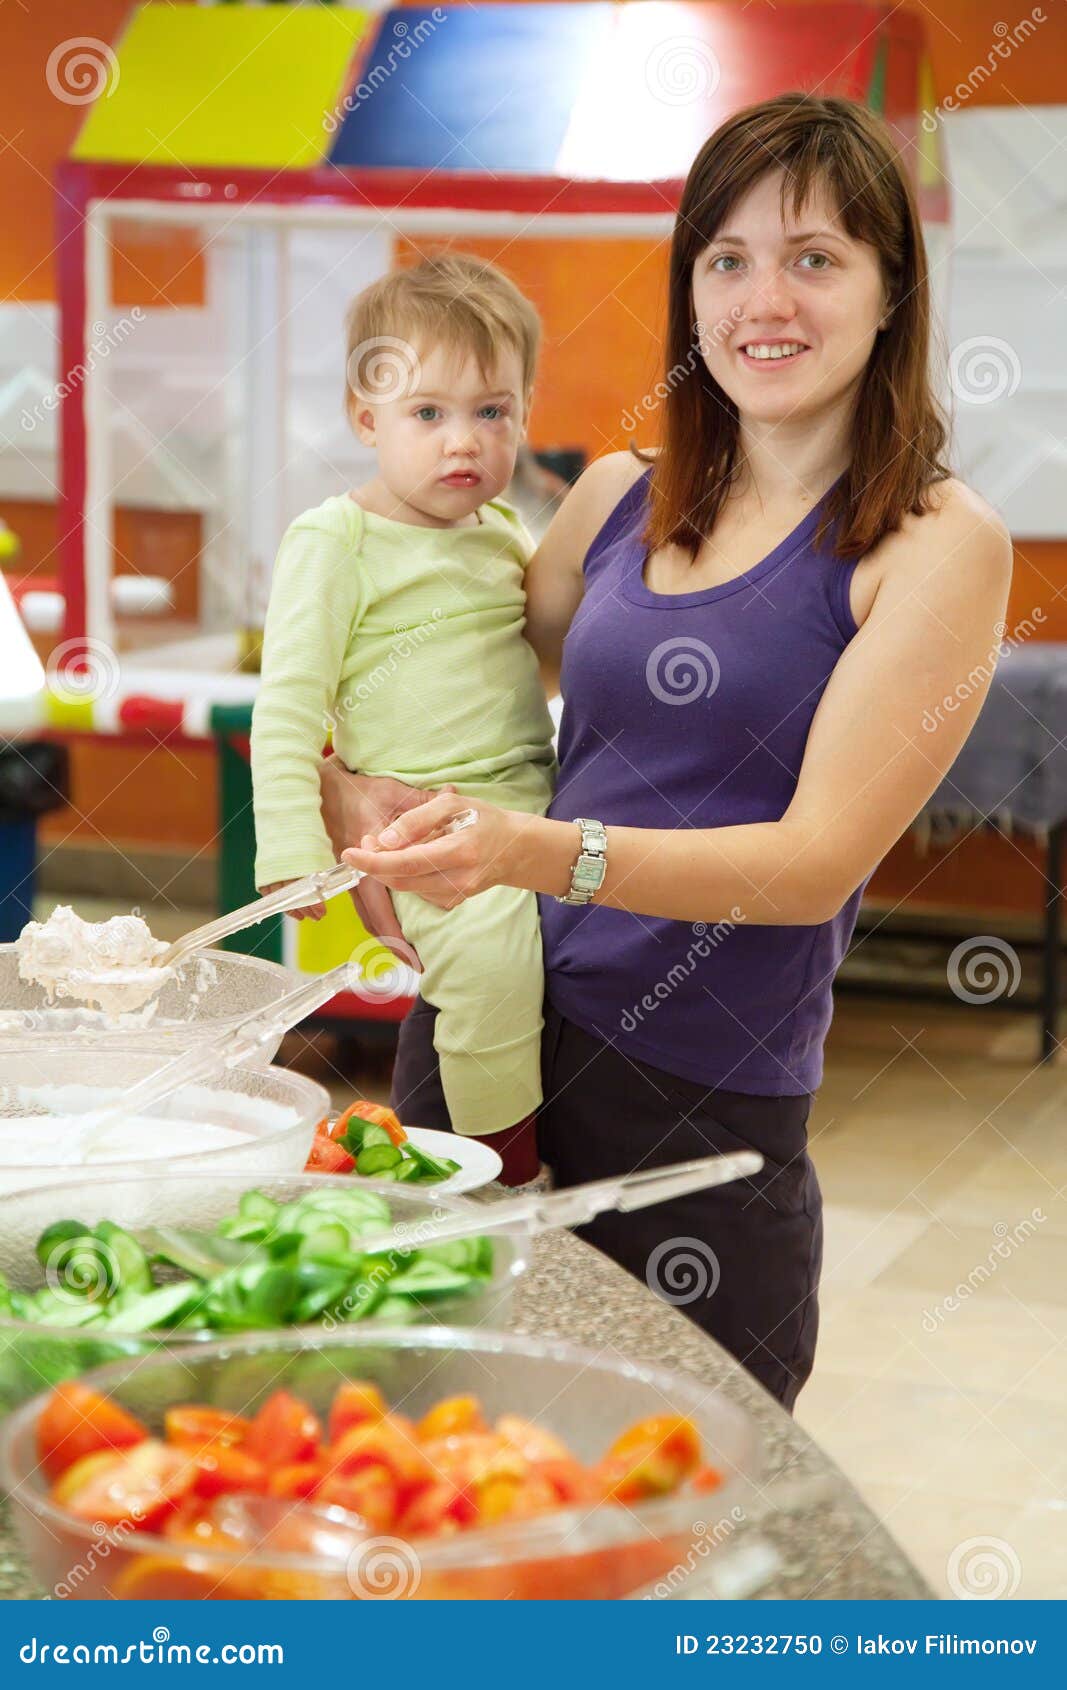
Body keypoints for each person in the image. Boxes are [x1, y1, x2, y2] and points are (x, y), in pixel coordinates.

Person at [325, 94, 1012, 1411]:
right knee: (428, 1445)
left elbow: (809, 866)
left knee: (675, 1505)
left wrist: (524, 850)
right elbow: (439, 674)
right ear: (689, 286)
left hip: (696, 1092)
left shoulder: (931, 543)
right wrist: (349, 786)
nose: (766, 297)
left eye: (814, 257)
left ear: (887, 290)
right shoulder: (613, 497)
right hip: (487, 1033)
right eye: (726, 257)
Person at [251, 255, 556, 1161]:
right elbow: (288, 707)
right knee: (491, 957)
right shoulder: (335, 539)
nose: (463, 441)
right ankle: (497, 1155)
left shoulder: (505, 534)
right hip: (421, 818)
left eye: (490, 412)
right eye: (428, 414)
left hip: (532, 795)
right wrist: (291, 850)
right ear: (366, 419)